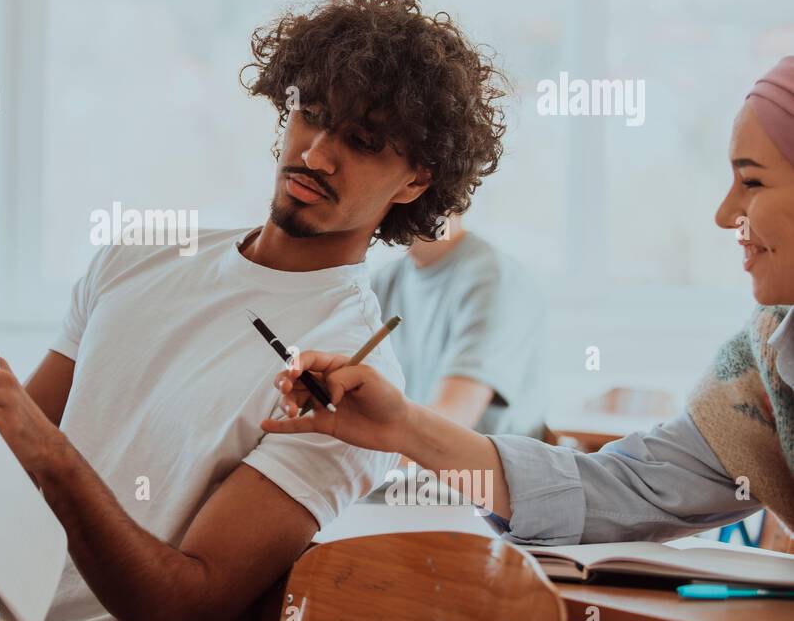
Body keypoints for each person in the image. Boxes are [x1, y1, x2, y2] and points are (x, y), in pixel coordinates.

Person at [0, 0, 508, 621]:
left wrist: (52, 453)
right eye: (312, 113)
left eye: (362, 140)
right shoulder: (141, 255)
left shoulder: (352, 384)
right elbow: (1, 466)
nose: (317, 153)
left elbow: (180, 614)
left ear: (415, 181)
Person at [262, 57, 794, 547]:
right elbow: (630, 491)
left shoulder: (490, 280)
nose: (726, 215)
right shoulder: (764, 356)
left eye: (751, 181)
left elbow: (463, 410)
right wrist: (400, 426)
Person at [371, 213, 547, 437]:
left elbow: (453, 420)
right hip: (412, 463)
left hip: (473, 468)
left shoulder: (495, 281)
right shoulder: (383, 281)